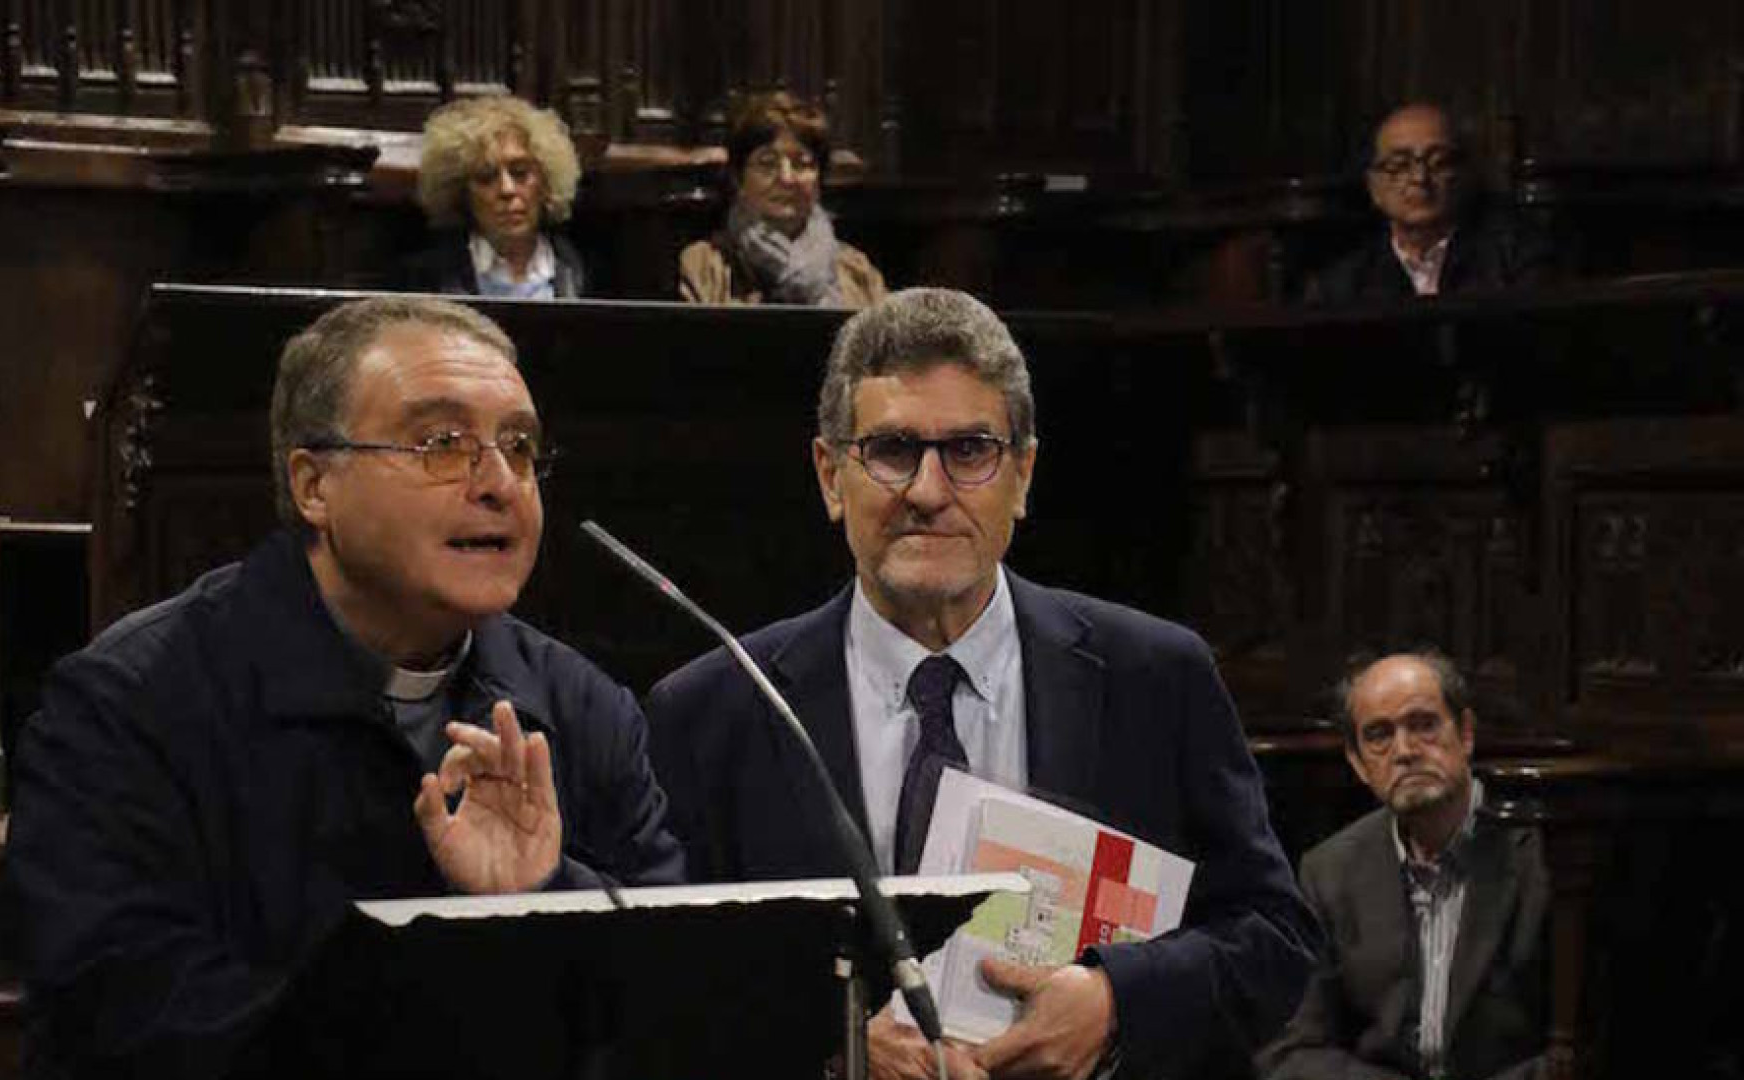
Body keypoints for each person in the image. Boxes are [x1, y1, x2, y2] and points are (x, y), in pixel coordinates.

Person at [646, 288, 1318, 1080]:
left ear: (1023, 474)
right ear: (831, 476)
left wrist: (1115, 1003)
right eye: (892, 449)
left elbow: (1274, 937)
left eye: (970, 451)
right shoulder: (718, 709)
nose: (929, 492)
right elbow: (667, 988)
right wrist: (836, 1042)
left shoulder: (1155, 675)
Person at [5, 296, 683, 1077]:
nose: (500, 482)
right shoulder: (130, 706)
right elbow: (125, 1017)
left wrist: (546, 891)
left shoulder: (580, 704)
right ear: (313, 485)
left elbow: (667, 999)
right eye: (441, 443)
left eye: (521, 446)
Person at [1257, 651, 1548, 1080]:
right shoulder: (1330, 871)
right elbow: (1291, 1048)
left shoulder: (1545, 857)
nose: (1406, 751)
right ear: (1358, 764)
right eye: (1379, 735)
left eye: (1424, 725)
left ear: (1465, 734)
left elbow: (1582, 1046)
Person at [1305, 102, 1548, 303]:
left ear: (1465, 175)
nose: (1420, 178)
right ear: (1373, 187)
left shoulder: (1516, 257)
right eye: (1399, 165)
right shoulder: (1341, 286)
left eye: (1438, 162)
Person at [677, 90, 888, 308]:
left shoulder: (857, 270)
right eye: (767, 163)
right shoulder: (704, 263)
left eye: (802, 164)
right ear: (738, 179)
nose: (787, 179)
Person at [402, 94, 590, 299]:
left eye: (520, 173)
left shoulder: (587, 272)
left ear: (546, 181)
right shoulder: (425, 277)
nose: (507, 190)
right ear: (460, 192)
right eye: (486, 178)